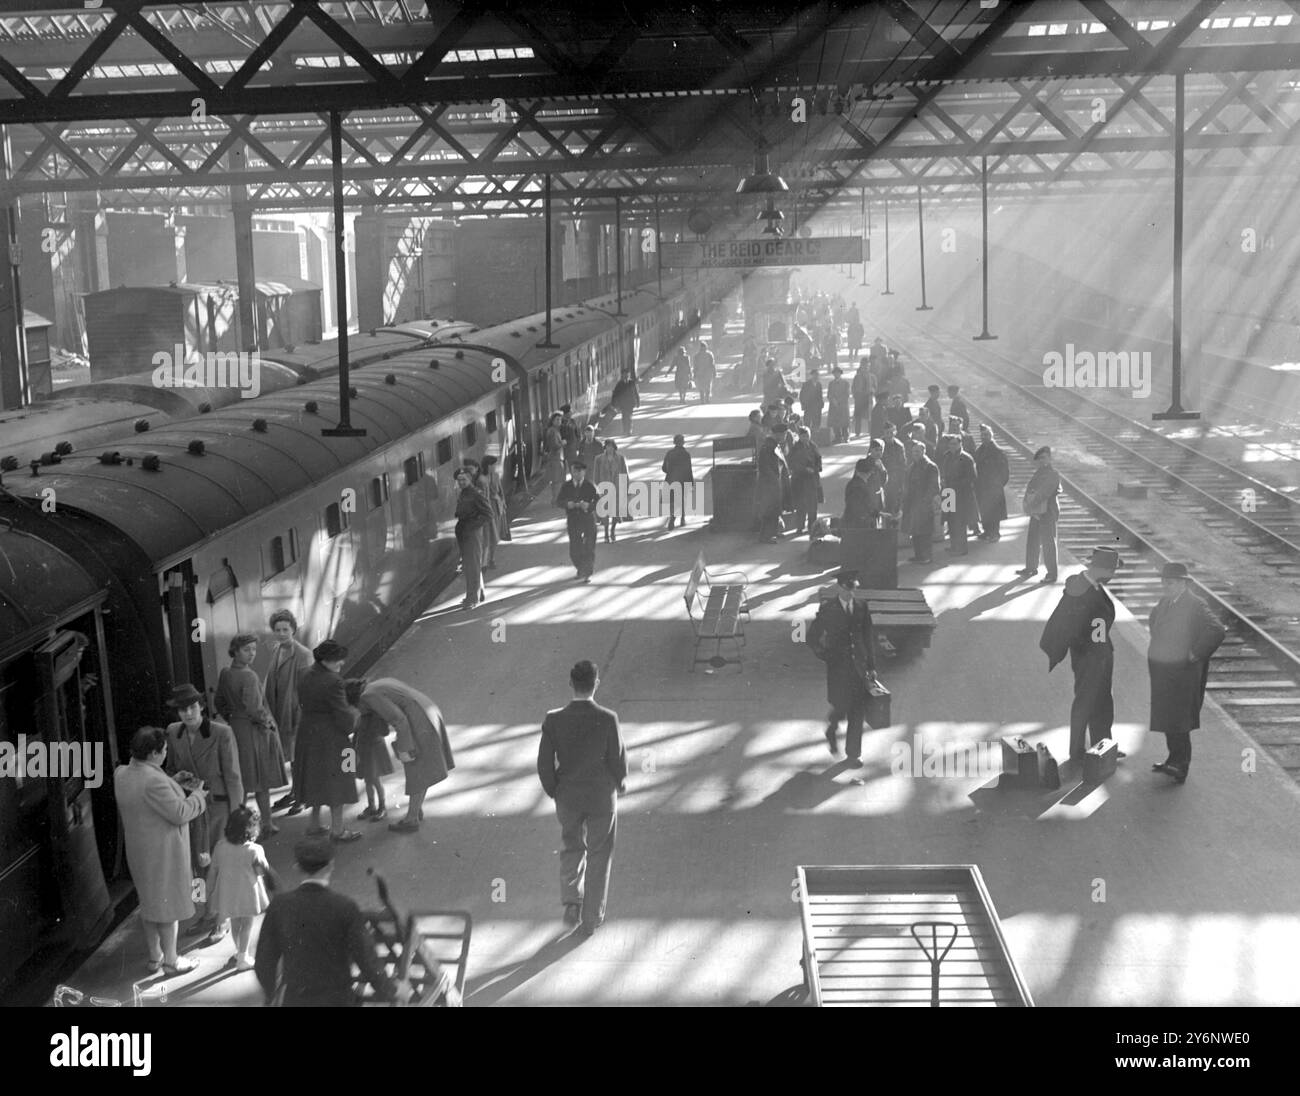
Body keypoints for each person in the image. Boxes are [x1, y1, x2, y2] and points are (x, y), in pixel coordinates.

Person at [254, 838, 427, 1007]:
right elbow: (366, 959)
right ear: (331, 866)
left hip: (295, 999)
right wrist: (393, 990)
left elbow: (263, 961)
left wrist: (271, 994)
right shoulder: (345, 906)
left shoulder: (279, 905)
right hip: (336, 999)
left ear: (298, 867)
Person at [537, 660, 627, 937]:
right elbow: (617, 758)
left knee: (571, 847)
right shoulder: (608, 718)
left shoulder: (553, 719)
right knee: (600, 854)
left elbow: (544, 764)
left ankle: (571, 902)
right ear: (596, 683)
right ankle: (592, 917)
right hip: (601, 798)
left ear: (570, 684)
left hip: (569, 798)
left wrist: (555, 791)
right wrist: (620, 783)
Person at [114, 725, 207, 975]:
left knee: (149, 905)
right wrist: (198, 796)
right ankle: (172, 960)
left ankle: (155, 957)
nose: (165, 754)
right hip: (163, 854)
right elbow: (180, 813)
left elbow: (147, 794)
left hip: (140, 853)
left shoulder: (121, 773)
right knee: (168, 909)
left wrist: (172, 783)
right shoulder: (154, 781)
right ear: (154, 753)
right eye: (164, 750)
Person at [164, 682, 243, 944]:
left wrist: (238, 814)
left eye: (192, 707)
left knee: (218, 866)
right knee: (197, 868)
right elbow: (172, 768)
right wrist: (180, 779)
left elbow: (233, 777)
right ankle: (206, 913)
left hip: (219, 809)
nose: (187, 713)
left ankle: (222, 919)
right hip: (191, 811)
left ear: (201, 706)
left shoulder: (222, 733)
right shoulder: (173, 732)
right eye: (182, 710)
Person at [1039, 547, 1127, 765]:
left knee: (1104, 702)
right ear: (1102, 569)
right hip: (1088, 657)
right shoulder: (1079, 588)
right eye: (1112, 570)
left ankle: (1103, 746)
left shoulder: (1094, 586)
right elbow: (1069, 624)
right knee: (1085, 702)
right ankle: (1076, 751)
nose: (1114, 575)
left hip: (1102, 654)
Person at [1148, 563, 1226, 785]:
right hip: (1167, 671)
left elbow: (1217, 629)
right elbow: (1154, 620)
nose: (1165, 585)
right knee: (1168, 718)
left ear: (1183, 583)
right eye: (1164, 581)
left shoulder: (1195, 604)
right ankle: (1172, 759)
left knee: (1179, 721)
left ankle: (1181, 766)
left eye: (1170, 582)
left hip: (1183, 675)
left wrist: (1195, 653)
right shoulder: (1167, 601)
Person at [348, 677, 457, 834]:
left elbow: (399, 720)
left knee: (416, 770)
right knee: (422, 769)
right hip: (427, 711)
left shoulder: (368, 697)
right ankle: (416, 810)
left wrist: (404, 748)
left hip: (418, 721)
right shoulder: (377, 685)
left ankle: (411, 818)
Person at [216, 633, 285, 840]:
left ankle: (237, 824)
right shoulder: (249, 676)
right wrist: (269, 724)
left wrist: (232, 717)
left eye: (254, 649)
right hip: (254, 732)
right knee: (260, 779)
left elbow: (219, 702)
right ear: (235, 651)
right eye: (247, 650)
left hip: (236, 728)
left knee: (241, 780)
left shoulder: (225, 673)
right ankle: (268, 823)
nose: (252, 654)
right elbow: (255, 709)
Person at [807, 572, 879, 766]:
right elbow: (812, 636)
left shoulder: (862, 607)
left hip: (859, 667)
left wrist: (872, 665)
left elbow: (867, 637)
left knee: (858, 711)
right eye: (848, 589)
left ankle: (853, 754)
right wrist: (825, 655)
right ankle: (832, 728)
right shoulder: (828, 609)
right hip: (838, 668)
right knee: (841, 705)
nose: (851, 593)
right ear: (839, 587)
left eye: (854, 589)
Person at [297, 639, 362, 843]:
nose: (340, 665)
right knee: (339, 782)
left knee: (314, 780)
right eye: (338, 661)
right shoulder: (334, 682)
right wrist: (354, 719)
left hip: (307, 733)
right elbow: (343, 715)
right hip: (331, 738)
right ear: (326, 660)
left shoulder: (305, 674)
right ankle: (338, 829)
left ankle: (314, 824)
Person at [207, 805, 278, 972]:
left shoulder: (220, 846)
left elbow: (212, 871)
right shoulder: (255, 850)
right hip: (248, 894)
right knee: (246, 924)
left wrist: (206, 894)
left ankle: (239, 951)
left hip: (227, 894)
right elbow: (261, 872)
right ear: (252, 829)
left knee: (235, 923)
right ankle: (243, 957)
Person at [265, 610, 312, 816]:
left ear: (293, 629)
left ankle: (303, 796)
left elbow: (306, 690)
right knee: (292, 757)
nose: (282, 633)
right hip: (281, 712)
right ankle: (295, 791)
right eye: (277, 630)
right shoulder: (278, 650)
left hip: (296, 714)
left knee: (298, 756)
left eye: (285, 629)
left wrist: (300, 716)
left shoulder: (302, 654)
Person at [347, 677, 394, 822]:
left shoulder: (374, 714)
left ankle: (382, 806)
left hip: (373, 750)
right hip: (364, 751)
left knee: (374, 780)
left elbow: (383, 731)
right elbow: (357, 734)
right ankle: (371, 806)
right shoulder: (362, 716)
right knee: (368, 780)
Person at [1018, 445, 1060, 583]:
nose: (1042, 461)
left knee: (1048, 543)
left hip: (1047, 512)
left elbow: (1044, 492)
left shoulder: (1053, 474)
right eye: (1039, 459)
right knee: (1033, 541)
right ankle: (1031, 567)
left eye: (1044, 458)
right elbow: (1031, 489)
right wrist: (1027, 503)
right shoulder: (1040, 472)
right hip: (1037, 511)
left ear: (1050, 458)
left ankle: (1052, 574)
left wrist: (1030, 504)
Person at [453, 467, 492, 609]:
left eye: (464, 480)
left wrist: (472, 526)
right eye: (459, 480)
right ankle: (477, 593)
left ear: (470, 480)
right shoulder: (464, 493)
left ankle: (472, 599)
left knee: (473, 566)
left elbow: (488, 514)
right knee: (470, 565)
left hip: (472, 533)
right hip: (464, 532)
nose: (461, 482)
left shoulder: (476, 494)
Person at [557, 460, 600, 582]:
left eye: (579, 471)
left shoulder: (590, 485)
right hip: (573, 520)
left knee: (589, 547)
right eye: (574, 471)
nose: (576, 474)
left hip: (588, 519)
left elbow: (599, 501)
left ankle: (586, 573)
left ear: (584, 472)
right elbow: (558, 501)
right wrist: (567, 504)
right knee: (575, 549)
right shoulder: (566, 486)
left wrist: (589, 505)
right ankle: (580, 569)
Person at [937, 434, 977, 557]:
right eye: (950, 444)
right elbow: (943, 471)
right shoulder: (947, 456)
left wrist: (956, 484)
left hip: (961, 494)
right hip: (948, 493)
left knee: (960, 522)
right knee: (950, 520)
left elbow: (972, 477)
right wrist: (943, 480)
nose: (952, 446)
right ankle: (954, 545)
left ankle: (962, 548)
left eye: (955, 444)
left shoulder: (966, 458)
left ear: (960, 444)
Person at [902, 438, 940, 563]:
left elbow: (934, 487)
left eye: (918, 452)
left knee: (925, 532)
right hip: (913, 504)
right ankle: (918, 555)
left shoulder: (930, 466)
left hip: (924, 505)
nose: (915, 454)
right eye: (914, 452)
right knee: (915, 531)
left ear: (924, 452)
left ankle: (926, 556)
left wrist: (925, 502)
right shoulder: (912, 466)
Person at [974, 425, 1009, 541]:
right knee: (984, 510)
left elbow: (1005, 472)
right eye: (982, 435)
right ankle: (987, 531)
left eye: (987, 435)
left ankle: (995, 533)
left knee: (994, 512)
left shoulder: (998, 451)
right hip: (982, 486)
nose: (984, 437)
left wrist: (998, 484)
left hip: (993, 487)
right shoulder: (979, 450)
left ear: (991, 436)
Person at [787, 425, 823, 536]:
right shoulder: (795, 448)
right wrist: (804, 469)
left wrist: (815, 469)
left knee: (813, 505)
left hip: (812, 481)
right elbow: (791, 463)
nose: (805, 438)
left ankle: (812, 527)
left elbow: (819, 460)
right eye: (803, 436)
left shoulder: (813, 446)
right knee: (800, 505)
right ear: (799, 437)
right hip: (800, 481)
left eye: (807, 436)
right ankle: (800, 527)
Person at [593, 438, 630, 543]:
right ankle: (605, 533)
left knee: (615, 512)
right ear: (605, 447)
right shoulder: (598, 459)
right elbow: (595, 475)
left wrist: (626, 488)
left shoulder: (621, 458)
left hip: (617, 488)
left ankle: (612, 530)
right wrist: (598, 488)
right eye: (607, 446)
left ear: (614, 447)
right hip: (604, 489)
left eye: (611, 446)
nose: (609, 448)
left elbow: (625, 474)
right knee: (605, 512)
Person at [756, 431, 789, 542]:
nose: (785, 437)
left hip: (775, 483)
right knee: (769, 510)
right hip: (769, 485)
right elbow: (764, 466)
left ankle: (774, 532)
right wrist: (774, 479)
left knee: (776, 509)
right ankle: (765, 536)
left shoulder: (775, 445)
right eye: (783, 434)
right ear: (777, 434)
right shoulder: (768, 448)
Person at [479, 454, 509, 568]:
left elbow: (500, 490)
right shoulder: (481, 478)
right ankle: (485, 561)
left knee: (495, 535)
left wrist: (504, 502)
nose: (495, 466)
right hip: (487, 507)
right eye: (493, 464)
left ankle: (491, 559)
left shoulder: (496, 476)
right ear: (488, 465)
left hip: (496, 506)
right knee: (488, 536)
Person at [661, 434, 694, 530]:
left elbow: (664, 468)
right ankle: (682, 519)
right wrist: (691, 483)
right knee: (683, 500)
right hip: (683, 480)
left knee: (672, 501)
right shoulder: (686, 454)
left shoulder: (669, 453)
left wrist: (670, 472)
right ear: (683, 442)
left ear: (674, 442)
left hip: (671, 479)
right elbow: (689, 469)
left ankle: (672, 517)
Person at [842, 458, 884, 528]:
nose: (868, 475)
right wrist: (874, 514)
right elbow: (860, 507)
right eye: (867, 473)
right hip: (858, 524)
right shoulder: (858, 487)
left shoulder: (854, 483)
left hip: (853, 521)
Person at [881, 421, 906, 516]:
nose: (889, 435)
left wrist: (902, 481)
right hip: (880, 479)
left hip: (894, 479)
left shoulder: (899, 446)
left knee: (893, 505)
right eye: (887, 432)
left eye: (891, 432)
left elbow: (903, 465)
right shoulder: (878, 445)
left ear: (895, 432)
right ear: (883, 433)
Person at [543, 412, 566, 504]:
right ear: (552, 421)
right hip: (555, 459)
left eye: (560, 419)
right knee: (557, 481)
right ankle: (556, 500)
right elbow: (554, 446)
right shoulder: (552, 431)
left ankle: (556, 499)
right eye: (557, 419)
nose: (559, 421)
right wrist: (563, 443)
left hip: (556, 458)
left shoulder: (554, 430)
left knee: (557, 480)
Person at [611, 367, 640, 435]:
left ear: (629, 375)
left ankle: (629, 430)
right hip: (623, 404)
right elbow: (615, 394)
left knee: (629, 416)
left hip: (630, 403)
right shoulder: (619, 384)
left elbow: (636, 393)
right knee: (624, 417)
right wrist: (613, 404)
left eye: (627, 375)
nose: (626, 377)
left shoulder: (632, 383)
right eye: (625, 375)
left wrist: (638, 402)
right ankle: (625, 430)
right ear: (622, 375)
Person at [827, 366, 851, 444]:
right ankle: (837, 437)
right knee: (835, 422)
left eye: (838, 373)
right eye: (835, 373)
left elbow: (847, 394)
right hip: (834, 406)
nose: (836, 374)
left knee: (844, 422)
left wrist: (839, 401)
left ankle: (846, 436)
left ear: (840, 374)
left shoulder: (845, 383)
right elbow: (829, 394)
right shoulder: (831, 383)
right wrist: (833, 400)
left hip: (843, 405)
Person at [851, 358, 873, 437]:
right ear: (861, 366)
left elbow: (875, 386)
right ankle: (857, 432)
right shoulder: (857, 377)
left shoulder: (871, 376)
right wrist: (855, 395)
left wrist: (872, 391)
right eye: (864, 365)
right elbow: (853, 387)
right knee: (858, 416)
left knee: (869, 416)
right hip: (859, 399)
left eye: (867, 365)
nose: (865, 367)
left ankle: (870, 431)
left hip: (868, 398)